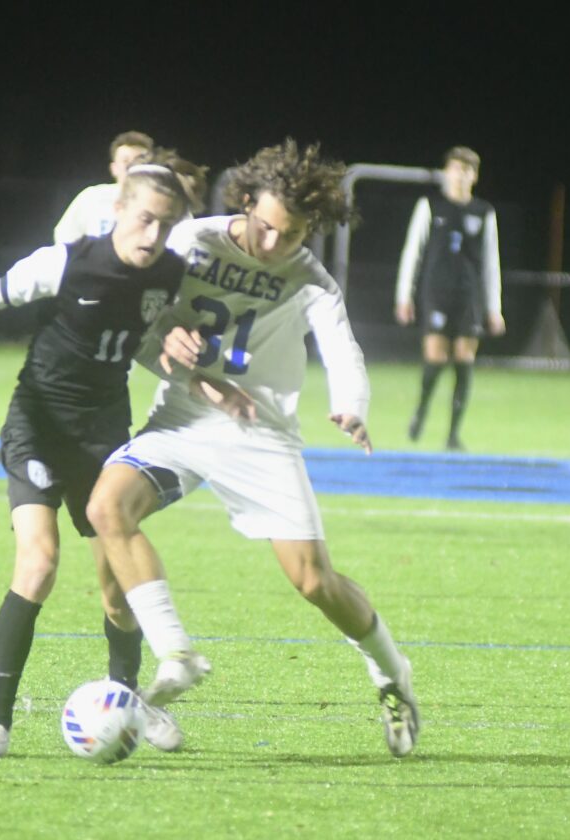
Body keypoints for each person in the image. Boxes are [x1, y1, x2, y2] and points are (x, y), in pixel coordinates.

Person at [87, 139, 420, 758]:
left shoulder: (309, 278)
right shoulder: (192, 242)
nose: (272, 244)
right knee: (107, 509)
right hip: (185, 418)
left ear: (309, 231)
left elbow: (341, 345)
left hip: (259, 434)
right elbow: (141, 320)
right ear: (245, 201)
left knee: (315, 583)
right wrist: (169, 350)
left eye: (289, 235)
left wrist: (353, 405)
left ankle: (391, 673)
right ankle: (175, 657)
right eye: (265, 226)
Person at [0, 163, 202, 760]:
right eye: (145, 220)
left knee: (115, 587)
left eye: (166, 225)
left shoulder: (170, 275)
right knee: (40, 564)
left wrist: (188, 362)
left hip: (104, 433)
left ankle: (129, 702)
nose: (154, 235)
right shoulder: (66, 261)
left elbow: (148, 342)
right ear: (118, 210)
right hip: (37, 424)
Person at [395, 146, 506, 451]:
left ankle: (453, 434)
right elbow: (412, 253)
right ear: (446, 173)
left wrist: (494, 308)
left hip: (468, 297)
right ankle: (421, 410)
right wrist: (404, 295)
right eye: (455, 169)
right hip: (436, 292)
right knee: (435, 357)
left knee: (464, 359)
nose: (459, 175)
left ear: (474, 176)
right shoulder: (430, 206)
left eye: (466, 170)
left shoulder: (484, 212)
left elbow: (490, 263)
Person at [53, 130, 154, 243]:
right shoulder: (92, 197)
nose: (131, 166)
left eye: (139, 160)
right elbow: (65, 235)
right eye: (125, 161)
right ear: (114, 168)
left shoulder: (159, 203)